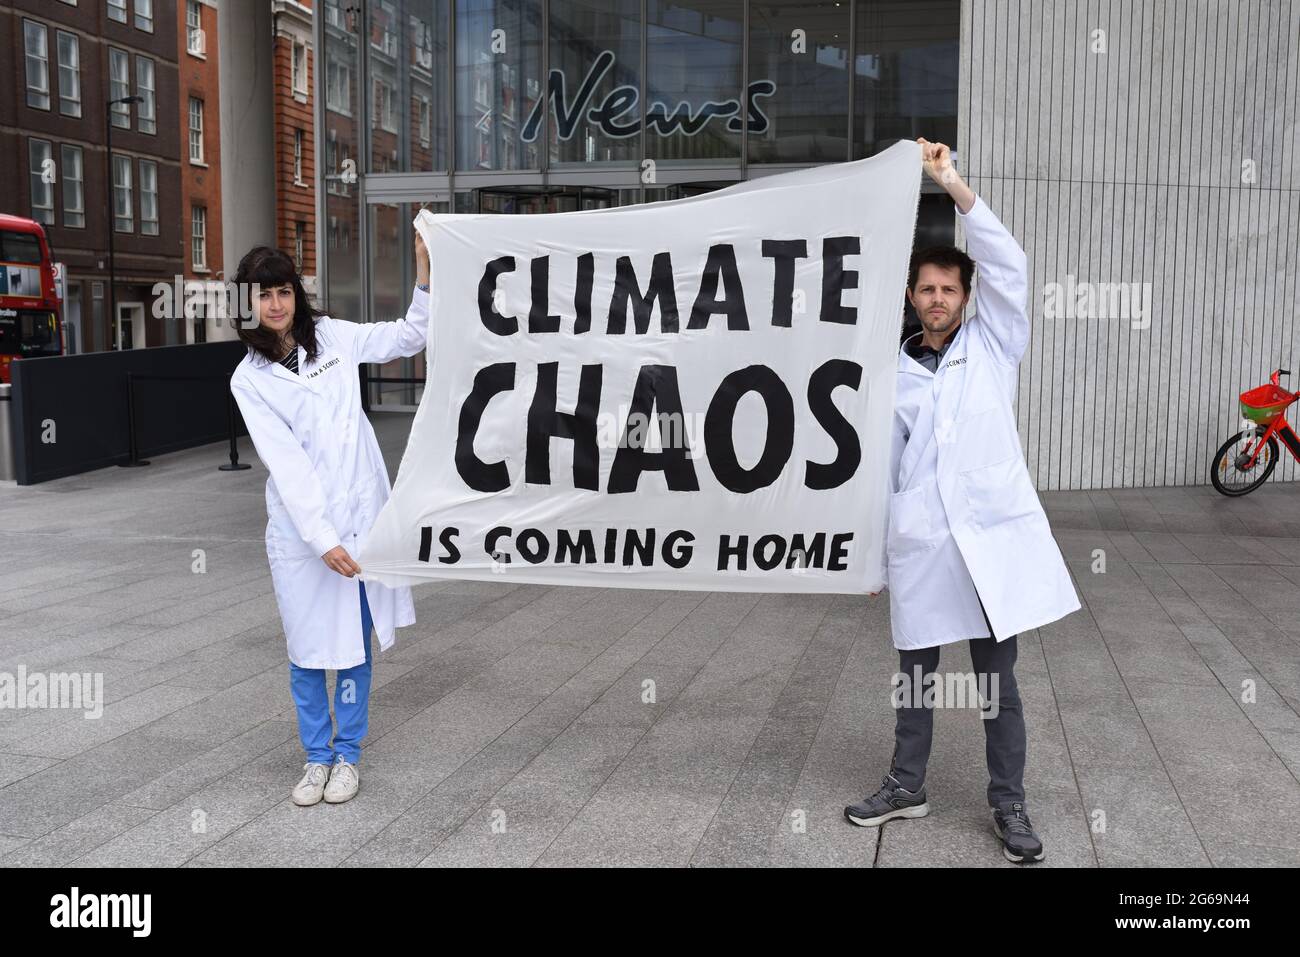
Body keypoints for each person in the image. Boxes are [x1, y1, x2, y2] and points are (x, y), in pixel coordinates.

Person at [845, 139, 1080, 863]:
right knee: (914, 675)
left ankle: (1008, 800)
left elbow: (1011, 266)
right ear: (911, 296)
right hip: (922, 540)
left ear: (966, 297)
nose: (939, 298)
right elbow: (881, 465)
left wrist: (951, 184)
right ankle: (905, 783)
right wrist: (875, 551)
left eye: (949, 288)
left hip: (987, 541)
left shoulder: (997, 342)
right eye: (927, 289)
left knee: (995, 681)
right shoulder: (894, 369)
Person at [229, 235, 431, 806]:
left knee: (354, 648)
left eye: (283, 291)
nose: (275, 304)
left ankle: (348, 757)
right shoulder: (249, 380)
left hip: (361, 519)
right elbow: (288, 467)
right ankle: (315, 758)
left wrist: (422, 267)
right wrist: (320, 539)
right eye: (263, 295)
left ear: (297, 294)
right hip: (302, 535)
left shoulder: (337, 338)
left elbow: (407, 336)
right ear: (248, 305)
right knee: (307, 649)